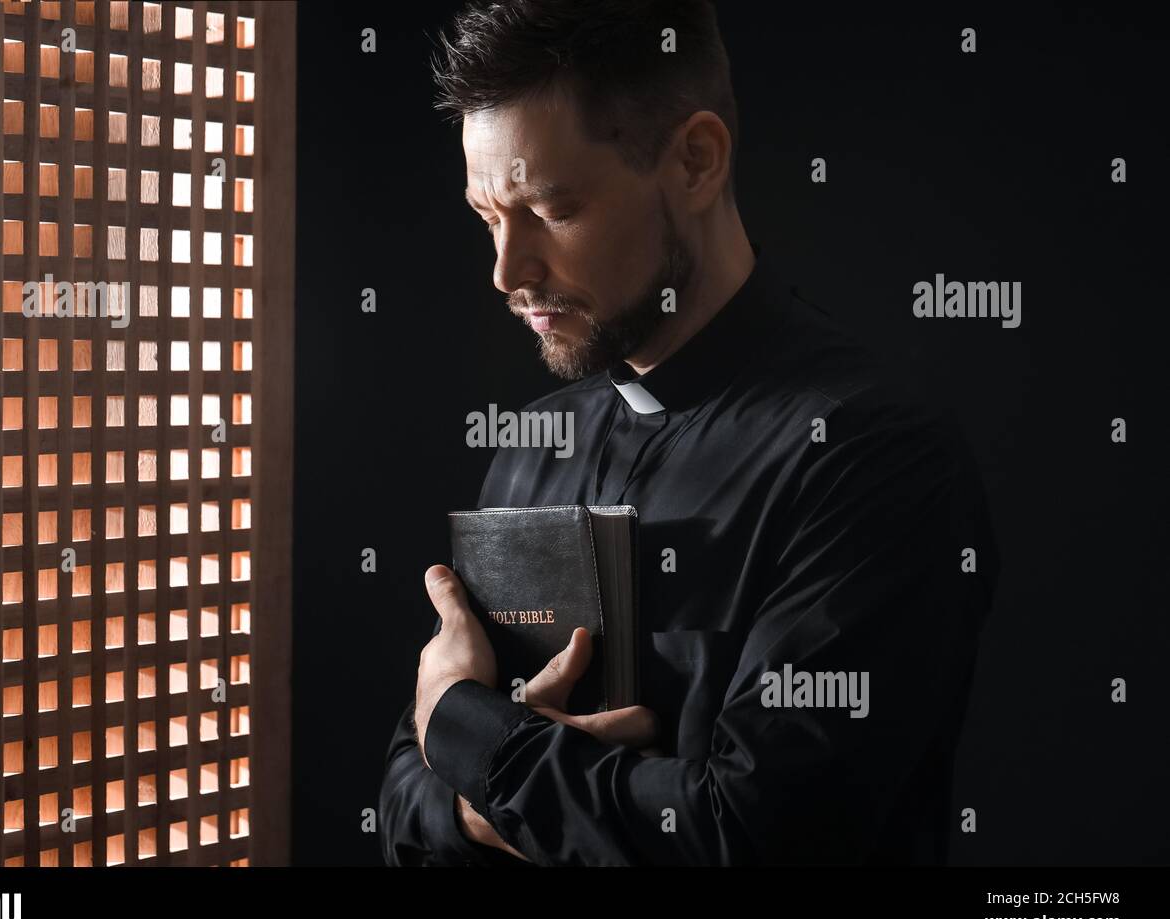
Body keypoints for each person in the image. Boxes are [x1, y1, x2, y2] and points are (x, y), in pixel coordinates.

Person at [378, 0, 998, 866]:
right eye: (489, 216)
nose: (505, 271)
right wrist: (482, 779)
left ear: (697, 161)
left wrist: (474, 737)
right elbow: (406, 805)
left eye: (551, 210)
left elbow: (748, 834)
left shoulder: (874, 458)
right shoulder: (530, 445)